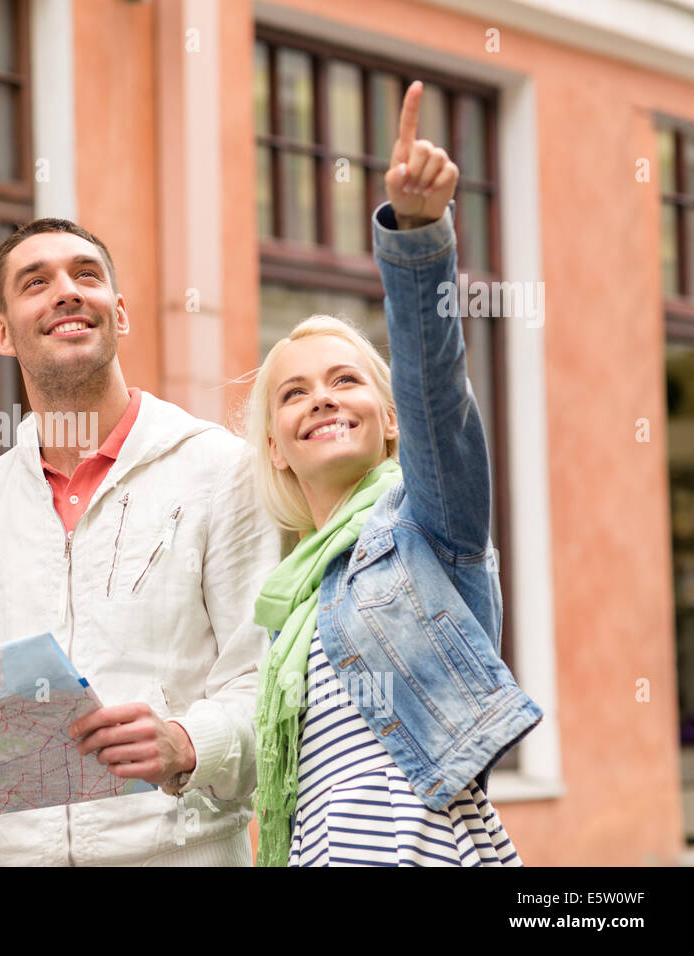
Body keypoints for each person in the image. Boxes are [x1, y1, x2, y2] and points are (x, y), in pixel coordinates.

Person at [0, 221, 281, 865]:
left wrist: (189, 742)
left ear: (120, 313)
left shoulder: (222, 472)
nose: (66, 293)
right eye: (36, 282)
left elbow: (267, 691)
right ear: (2, 333)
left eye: (86, 275)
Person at [246, 81, 542, 866]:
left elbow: (435, 386)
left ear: (391, 422)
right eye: (294, 392)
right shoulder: (291, 602)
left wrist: (417, 235)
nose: (321, 400)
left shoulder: (427, 528)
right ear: (276, 444)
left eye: (345, 381)